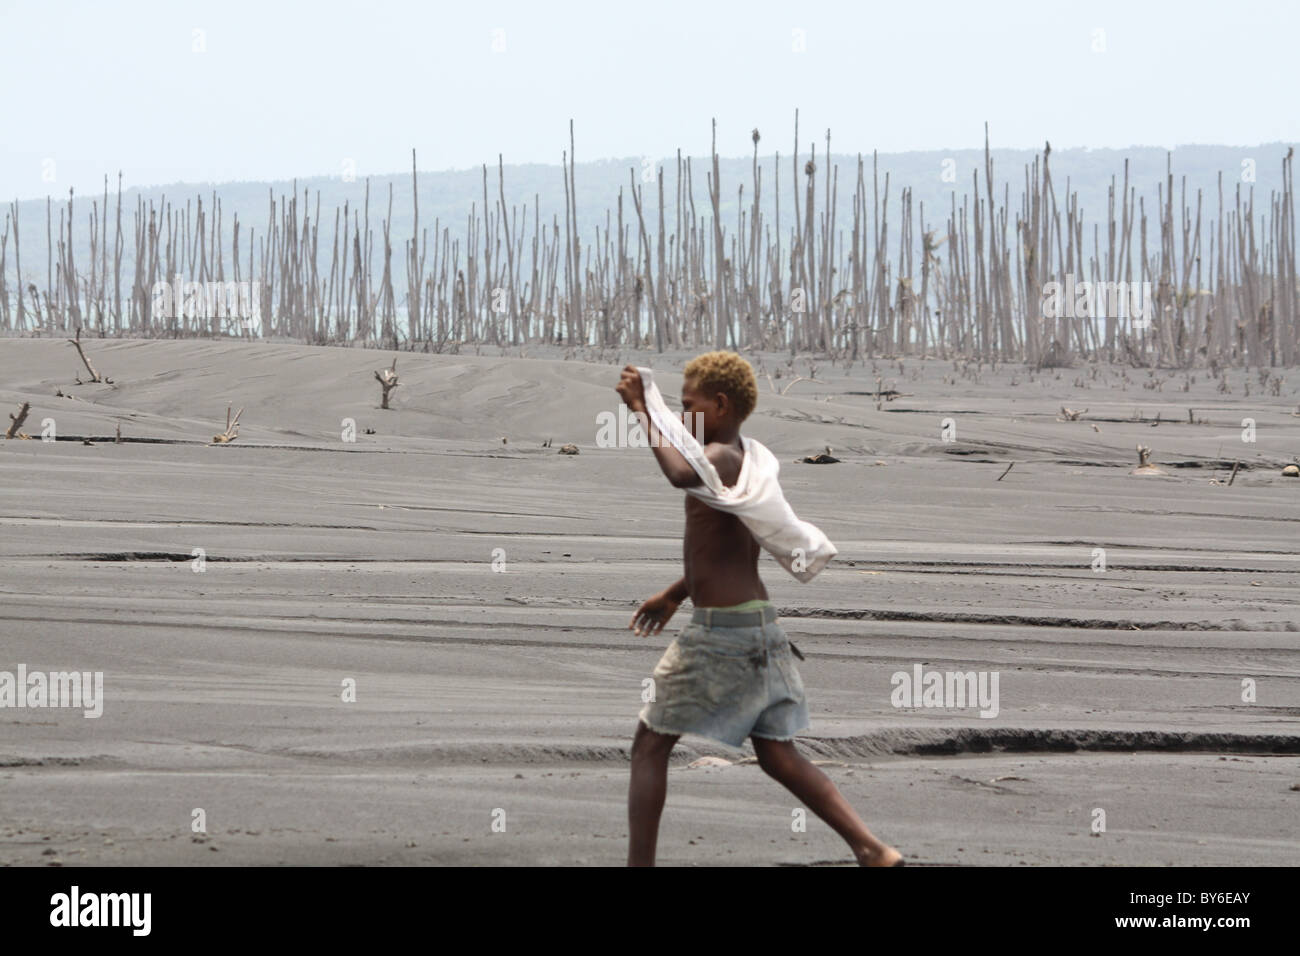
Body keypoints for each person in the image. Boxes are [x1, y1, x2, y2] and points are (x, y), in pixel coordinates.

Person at [615, 351, 904, 867]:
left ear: (720, 405)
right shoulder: (746, 460)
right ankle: (872, 849)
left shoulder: (721, 459)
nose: (681, 418)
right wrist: (675, 593)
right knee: (776, 752)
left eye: (689, 406)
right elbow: (725, 549)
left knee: (649, 745)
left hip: (721, 633)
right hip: (759, 628)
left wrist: (641, 409)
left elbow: (678, 474)